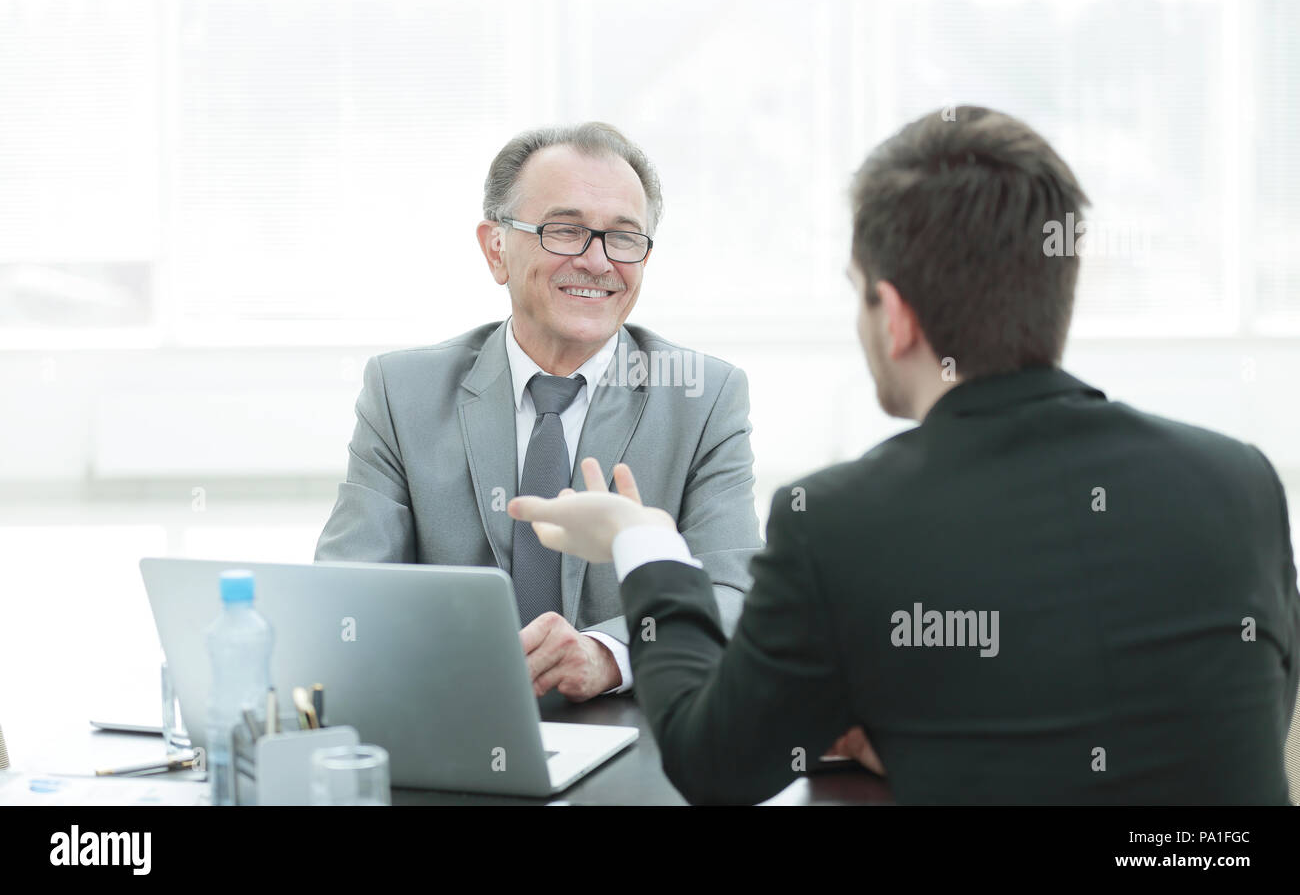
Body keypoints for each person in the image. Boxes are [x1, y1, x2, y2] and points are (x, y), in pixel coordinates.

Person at [509, 106, 1300, 803]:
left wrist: (639, 540)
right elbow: (1236, 716)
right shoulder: (1241, 483)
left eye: (859, 290)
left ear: (894, 316)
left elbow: (715, 763)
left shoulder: (841, 524)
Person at [316, 122, 761, 702]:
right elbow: (345, 592)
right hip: (455, 719)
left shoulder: (705, 397)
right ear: (496, 246)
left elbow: (734, 594)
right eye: (565, 230)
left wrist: (604, 654)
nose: (598, 262)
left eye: (624, 238)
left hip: (631, 736)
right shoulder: (402, 392)